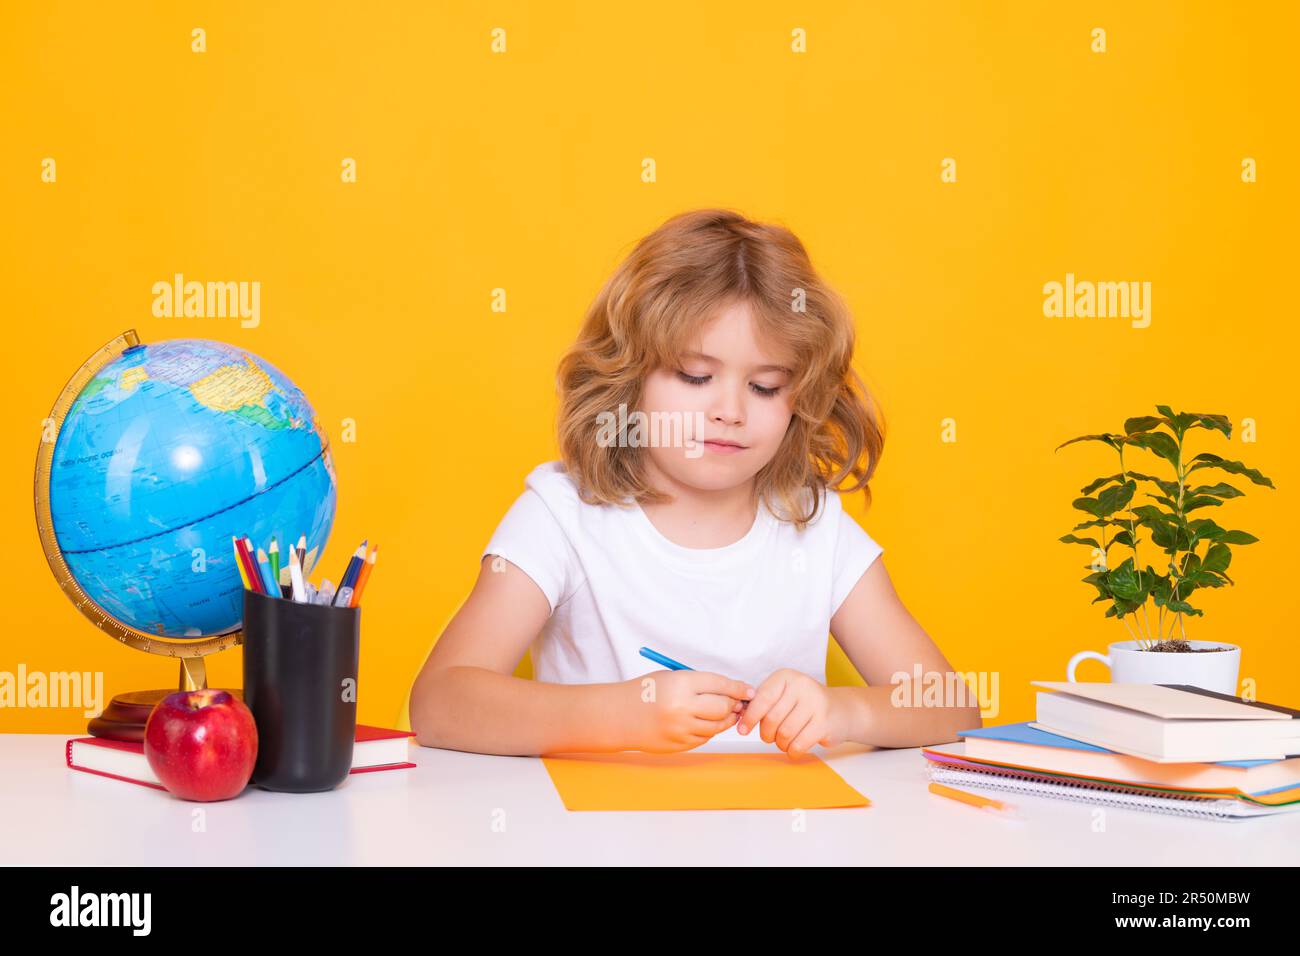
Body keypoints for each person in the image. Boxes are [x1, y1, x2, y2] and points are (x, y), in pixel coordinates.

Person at [409, 208, 982, 756]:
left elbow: (953, 708)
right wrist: (619, 715)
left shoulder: (816, 527)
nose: (730, 410)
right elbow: (439, 704)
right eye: (695, 376)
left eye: (765, 387)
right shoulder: (561, 516)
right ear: (627, 378)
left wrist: (844, 712)